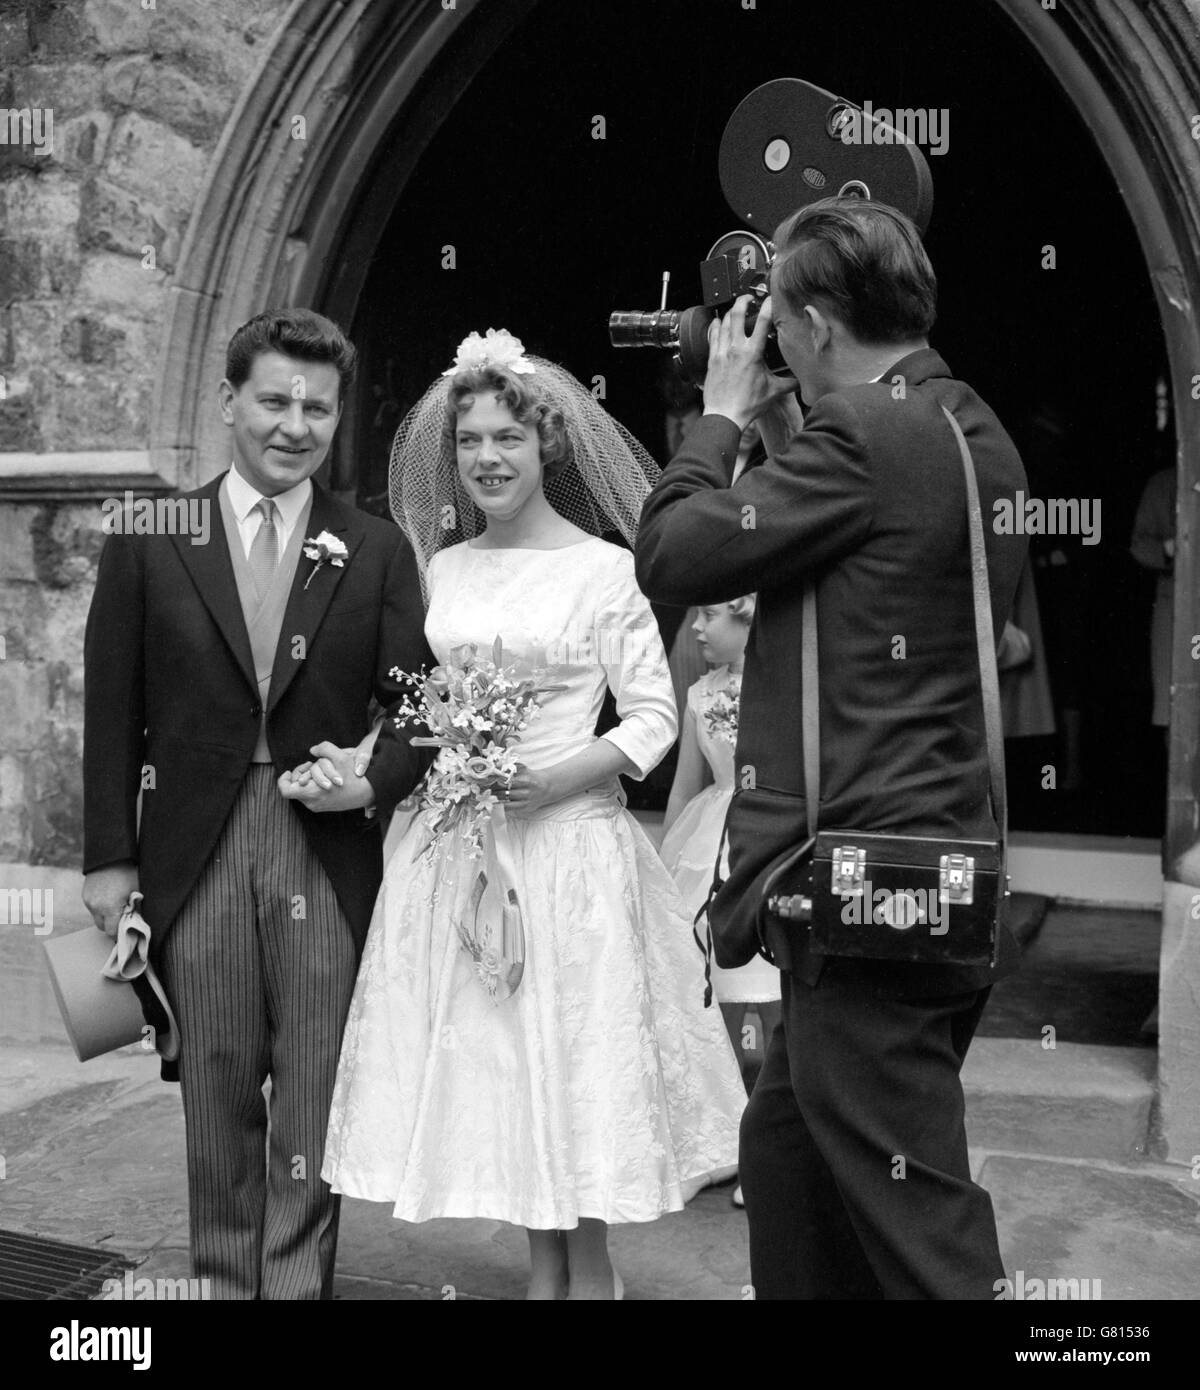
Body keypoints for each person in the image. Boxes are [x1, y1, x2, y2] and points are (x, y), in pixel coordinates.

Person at [635, 197, 1028, 1299]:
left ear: (807, 322)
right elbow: (855, 566)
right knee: (794, 1163)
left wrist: (716, 413)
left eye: (779, 323)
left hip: (867, 893)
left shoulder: (865, 435)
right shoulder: (967, 427)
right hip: (934, 867)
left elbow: (675, 553)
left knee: (923, 1229)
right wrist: (778, 431)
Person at [312, 329, 746, 1300]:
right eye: (470, 442)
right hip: (458, 848)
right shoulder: (449, 568)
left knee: (572, 1065)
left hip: (568, 851)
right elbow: (418, 701)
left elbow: (652, 717)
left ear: (548, 444)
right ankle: (544, 1276)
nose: (488, 459)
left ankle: (587, 1278)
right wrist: (383, 754)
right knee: (504, 1073)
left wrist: (558, 778)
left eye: (508, 437)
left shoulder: (603, 569)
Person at [81, 308, 434, 1300]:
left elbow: (423, 703)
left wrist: (376, 775)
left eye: (316, 406)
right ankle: (223, 1281)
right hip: (193, 850)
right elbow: (111, 708)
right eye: (274, 399)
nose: (295, 422)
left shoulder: (372, 547)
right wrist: (110, 858)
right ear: (229, 401)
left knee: (315, 1085)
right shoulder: (151, 533)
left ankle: (292, 1288)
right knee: (217, 1078)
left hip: (323, 845)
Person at [660, 596, 781, 1209]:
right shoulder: (701, 694)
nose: (697, 628)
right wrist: (659, 875)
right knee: (705, 997)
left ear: (748, 616)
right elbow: (686, 786)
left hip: (766, 843)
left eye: (709, 615)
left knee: (769, 998)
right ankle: (719, 1142)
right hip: (708, 840)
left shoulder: (785, 686)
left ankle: (772, 1149)